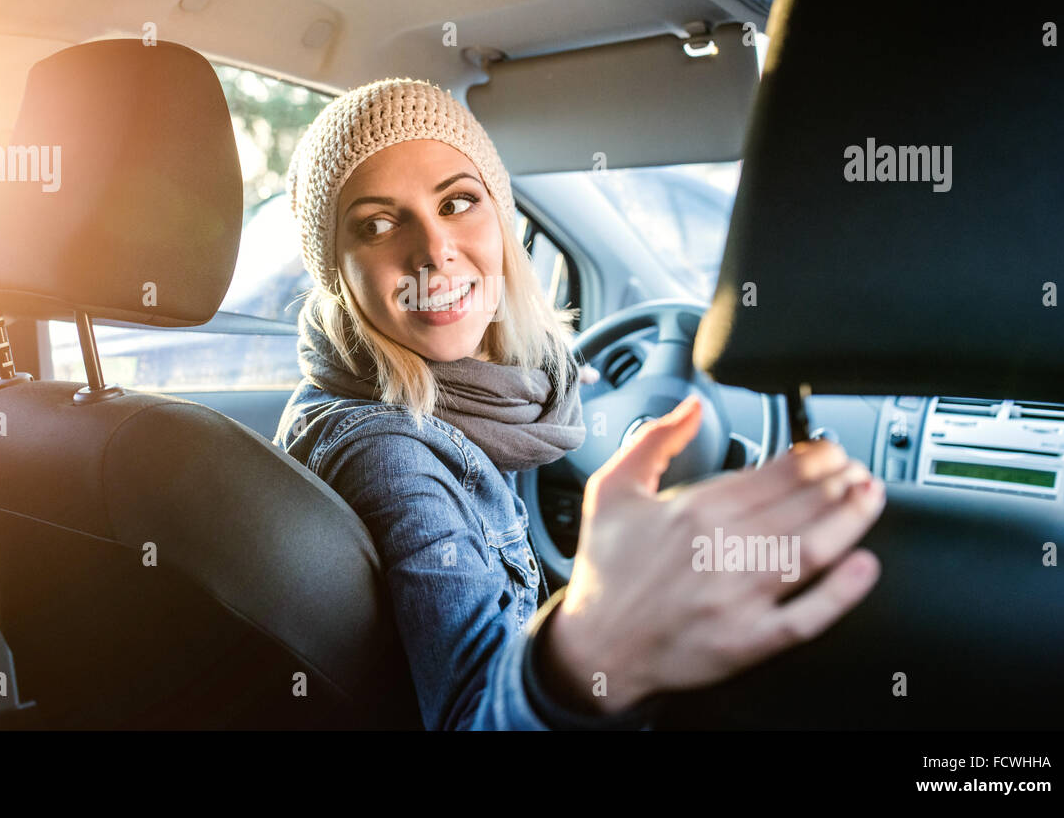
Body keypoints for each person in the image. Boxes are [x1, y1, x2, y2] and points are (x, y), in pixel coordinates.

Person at [274, 77, 886, 730]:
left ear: (503, 220)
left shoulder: (406, 394)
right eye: (377, 222)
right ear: (335, 269)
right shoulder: (391, 456)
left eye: (457, 202)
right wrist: (589, 648)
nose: (433, 251)